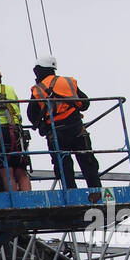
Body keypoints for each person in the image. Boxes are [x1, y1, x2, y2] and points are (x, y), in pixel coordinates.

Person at [27, 55, 101, 191]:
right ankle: (96, 190)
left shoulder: (37, 90)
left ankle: (71, 192)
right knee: (87, 160)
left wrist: (42, 126)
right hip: (77, 129)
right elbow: (85, 103)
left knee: (63, 164)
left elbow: (31, 115)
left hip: (57, 133)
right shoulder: (68, 82)